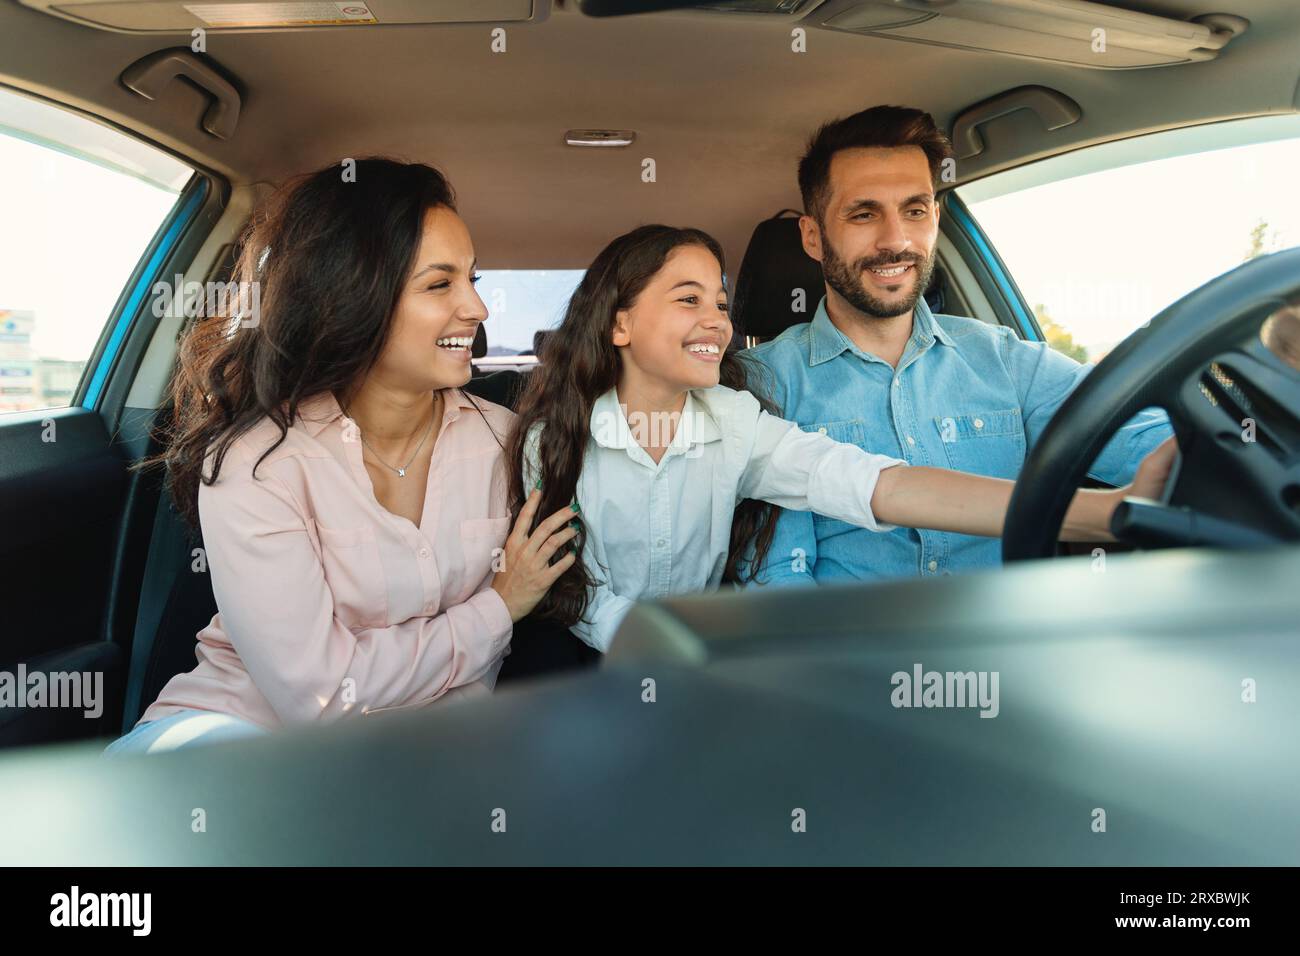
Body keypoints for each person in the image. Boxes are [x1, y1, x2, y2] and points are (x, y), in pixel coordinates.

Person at [505, 224, 1175, 653]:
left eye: (719, 301)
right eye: (688, 299)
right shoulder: (554, 438)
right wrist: (661, 641)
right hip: (581, 651)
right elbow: (569, 587)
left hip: (691, 655)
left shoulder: (735, 424)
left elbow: (882, 483)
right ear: (619, 325)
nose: (715, 319)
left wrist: (1106, 512)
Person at [106, 159, 574, 755]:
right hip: (237, 740)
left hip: (428, 753)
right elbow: (321, 699)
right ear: (353, 296)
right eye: (439, 284)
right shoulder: (258, 459)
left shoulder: (509, 444)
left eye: (473, 281)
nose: (478, 309)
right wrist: (497, 609)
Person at [741, 106, 1173, 586]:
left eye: (915, 210)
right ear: (813, 237)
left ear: (936, 218)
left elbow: (1148, 438)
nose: (896, 240)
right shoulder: (760, 386)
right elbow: (780, 585)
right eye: (864, 214)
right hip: (857, 654)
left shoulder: (1005, 360)